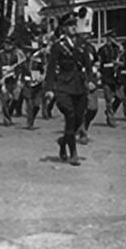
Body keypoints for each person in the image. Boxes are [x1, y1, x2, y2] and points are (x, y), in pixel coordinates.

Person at [45, 14, 93, 166]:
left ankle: (63, 141)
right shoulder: (57, 46)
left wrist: (91, 81)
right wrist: (49, 88)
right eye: (70, 25)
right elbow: (51, 68)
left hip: (79, 86)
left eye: (75, 25)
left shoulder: (83, 44)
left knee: (79, 119)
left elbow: (88, 65)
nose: (74, 27)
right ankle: (73, 153)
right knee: (70, 117)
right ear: (64, 28)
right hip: (64, 87)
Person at [77, 30, 100, 144]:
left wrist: (96, 69)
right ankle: (82, 133)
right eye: (85, 35)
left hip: (91, 79)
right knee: (81, 108)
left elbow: (96, 61)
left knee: (93, 109)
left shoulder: (91, 48)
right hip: (79, 81)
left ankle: (84, 126)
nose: (88, 38)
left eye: (89, 36)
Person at [96, 29, 123, 127]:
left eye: (113, 38)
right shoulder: (102, 50)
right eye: (110, 37)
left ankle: (110, 112)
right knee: (108, 99)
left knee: (120, 97)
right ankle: (111, 118)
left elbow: (123, 61)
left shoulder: (118, 49)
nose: (112, 39)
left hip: (116, 77)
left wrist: (119, 63)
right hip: (107, 76)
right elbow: (100, 63)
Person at [19, 40, 48, 129]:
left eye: (30, 52)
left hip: (37, 86)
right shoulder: (23, 63)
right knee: (29, 105)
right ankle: (29, 122)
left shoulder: (38, 62)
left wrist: (41, 77)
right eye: (26, 52)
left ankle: (32, 118)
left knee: (36, 105)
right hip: (27, 85)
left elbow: (43, 71)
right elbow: (21, 74)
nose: (28, 54)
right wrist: (22, 81)